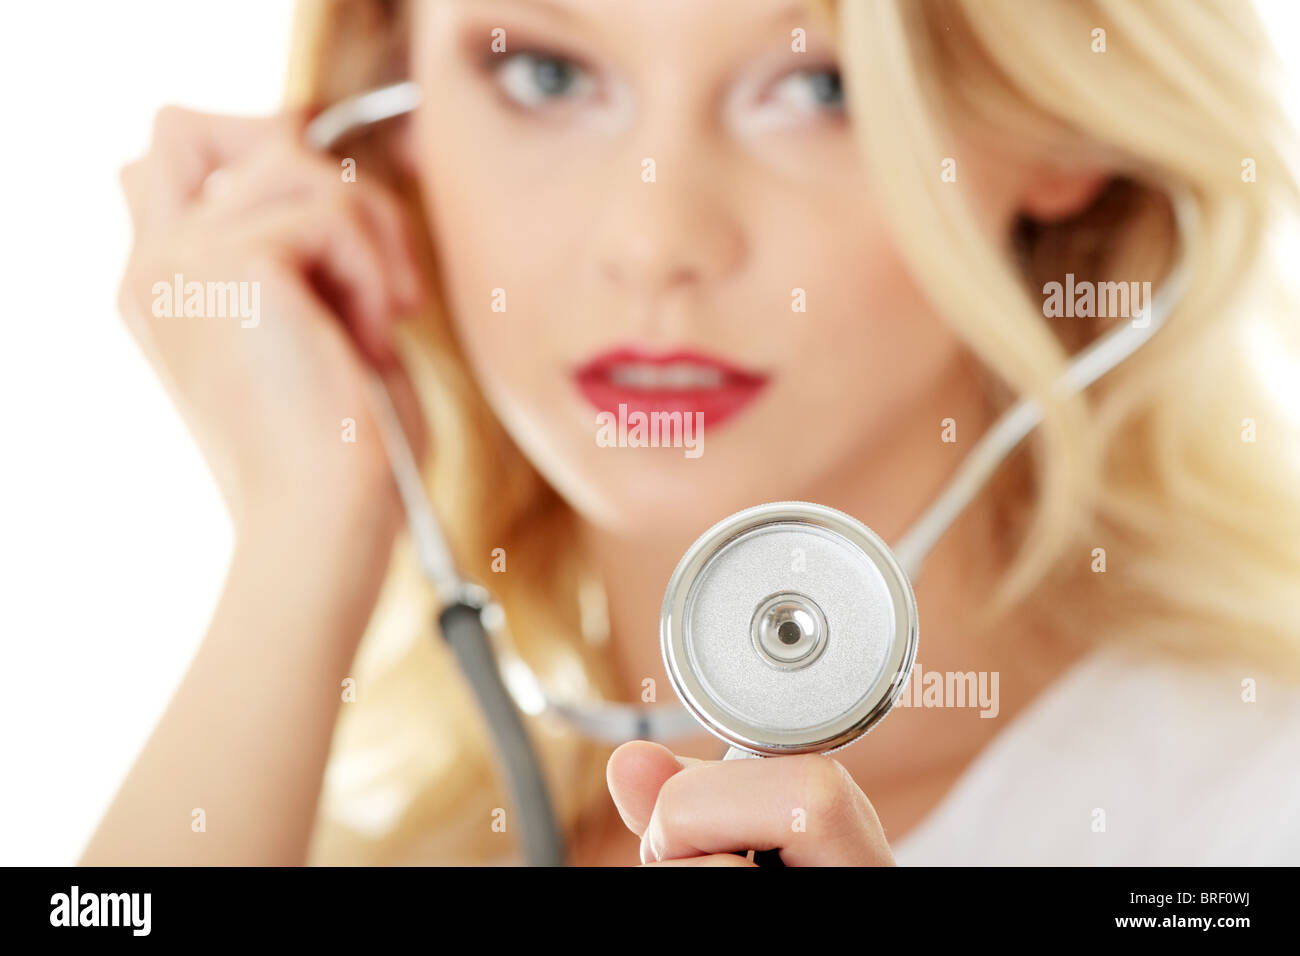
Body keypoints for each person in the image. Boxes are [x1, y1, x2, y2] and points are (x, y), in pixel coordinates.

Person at [83, 0, 1300, 866]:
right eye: (549, 75)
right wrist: (303, 528)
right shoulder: (377, 832)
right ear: (385, 117)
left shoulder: (1252, 810)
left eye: (817, 86)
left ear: (1058, 132)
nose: (655, 236)